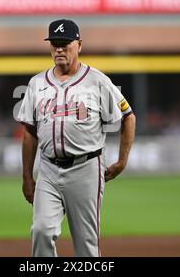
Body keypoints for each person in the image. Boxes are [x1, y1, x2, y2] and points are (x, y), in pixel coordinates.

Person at [17, 19, 136, 257]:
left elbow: (128, 116)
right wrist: (27, 176)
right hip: (48, 169)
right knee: (41, 231)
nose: (59, 49)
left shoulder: (97, 80)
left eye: (65, 44)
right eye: (54, 44)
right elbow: (29, 132)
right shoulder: (37, 82)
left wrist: (122, 162)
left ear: (79, 45)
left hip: (86, 168)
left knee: (86, 244)